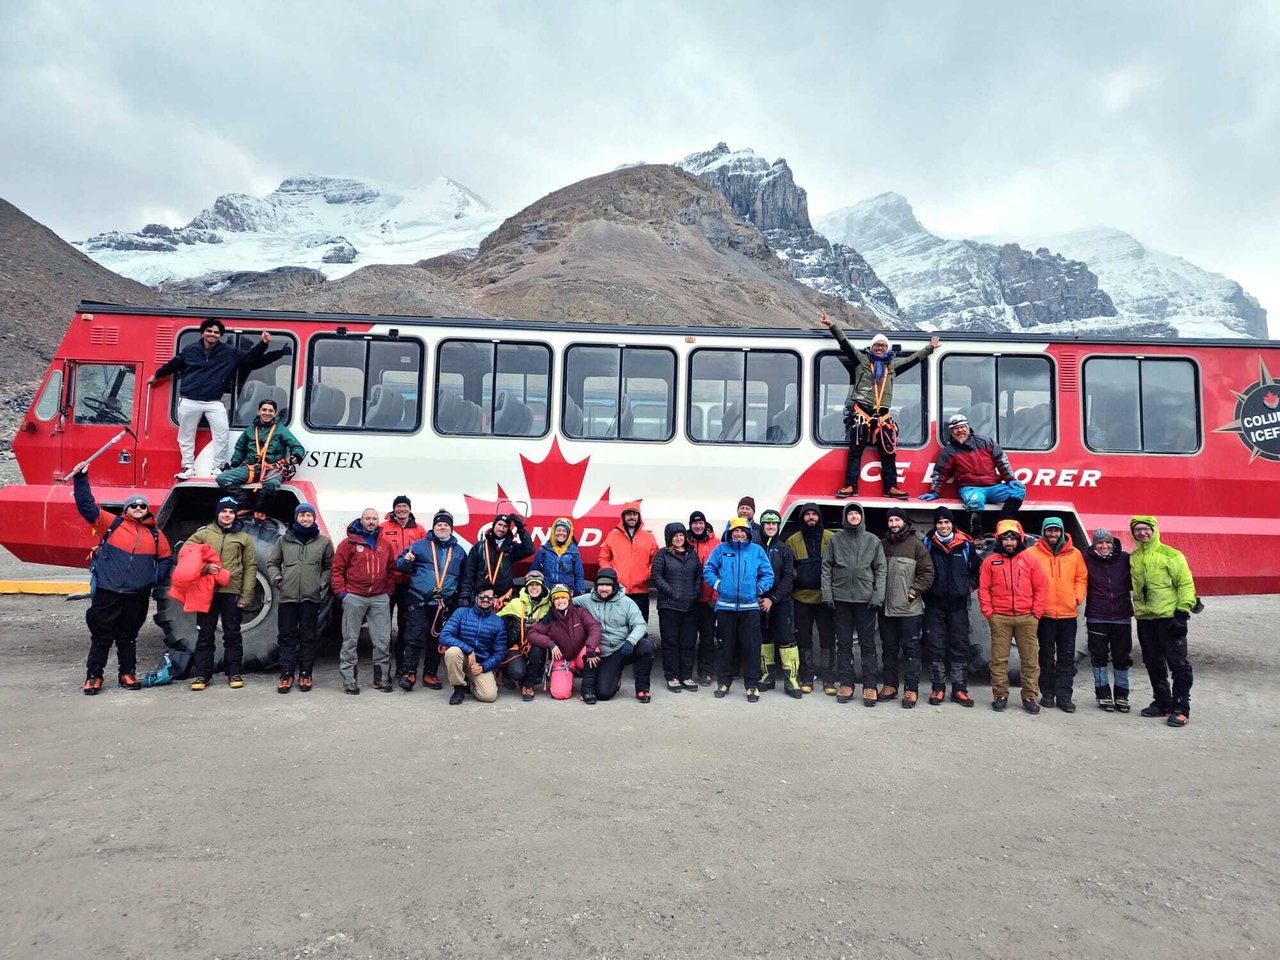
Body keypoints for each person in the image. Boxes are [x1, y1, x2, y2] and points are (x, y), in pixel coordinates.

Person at [71, 463, 172, 695]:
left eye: (143, 505)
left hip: (136, 595)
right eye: (134, 505)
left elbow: (166, 559)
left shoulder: (155, 534)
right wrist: (81, 479)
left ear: (148, 510)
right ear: (127, 508)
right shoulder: (112, 523)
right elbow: (86, 506)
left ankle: (127, 674)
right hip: (109, 591)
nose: (138, 507)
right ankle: (94, 676)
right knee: (101, 636)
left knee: (128, 636)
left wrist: (153, 579)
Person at [820, 312, 939, 499]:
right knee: (855, 452)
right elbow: (845, 344)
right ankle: (851, 486)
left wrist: (930, 348)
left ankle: (891, 488)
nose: (880, 348)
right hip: (861, 413)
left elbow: (913, 359)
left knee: (889, 453)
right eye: (877, 345)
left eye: (883, 345)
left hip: (883, 417)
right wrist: (832, 325)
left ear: (887, 348)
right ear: (872, 347)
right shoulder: (861, 361)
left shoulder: (892, 367)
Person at [148, 318, 272, 479]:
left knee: (222, 433)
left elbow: (249, 359)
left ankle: (218, 468)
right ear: (203, 332)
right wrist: (157, 376)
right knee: (186, 435)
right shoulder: (190, 351)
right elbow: (173, 365)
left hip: (213, 401)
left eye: (216, 332)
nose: (212, 335)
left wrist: (263, 344)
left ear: (220, 336)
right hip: (189, 399)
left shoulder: (229, 352)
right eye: (209, 331)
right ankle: (187, 467)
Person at [1129, 516, 1196, 727]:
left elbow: (1185, 583)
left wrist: (1183, 612)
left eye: (1146, 529)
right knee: (1153, 662)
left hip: (1168, 616)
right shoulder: (1134, 557)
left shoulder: (1172, 554)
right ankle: (1163, 702)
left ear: (1154, 530)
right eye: (1138, 530)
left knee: (1178, 664)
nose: (1142, 533)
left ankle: (1180, 708)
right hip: (1145, 618)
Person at [185, 496, 258, 690]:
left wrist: (246, 594)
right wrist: (204, 568)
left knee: (233, 633)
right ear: (217, 513)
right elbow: (186, 555)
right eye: (223, 511)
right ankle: (202, 675)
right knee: (205, 634)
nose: (227, 515)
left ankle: (234, 672)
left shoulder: (243, 538)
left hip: (231, 591)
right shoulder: (204, 534)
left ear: (235, 515)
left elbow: (250, 567)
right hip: (206, 592)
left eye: (231, 512)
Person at [978, 519, 1048, 713]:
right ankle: (1000, 695)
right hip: (1000, 617)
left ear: (1019, 539)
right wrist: (989, 612)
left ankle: (1030, 697)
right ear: (999, 540)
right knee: (999, 659)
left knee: (1030, 660)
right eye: (1005, 539)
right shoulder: (990, 561)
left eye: (1013, 538)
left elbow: (1041, 587)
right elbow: (984, 589)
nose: (1009, 543)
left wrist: (1036, 612)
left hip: (1027, 617)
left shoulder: (1030, 560)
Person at [821, 502, 886, 706]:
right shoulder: (836, 540)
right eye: (850, 514)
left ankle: (869, 687)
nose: (854, 516)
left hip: (865, 601)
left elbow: (881, 570)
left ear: (862, 516)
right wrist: (827, 594)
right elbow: (826, 567)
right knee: (844, 644)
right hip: (840, 600)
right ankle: (846, 684)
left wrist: (877, 597)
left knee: (868, 645)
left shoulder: (872, 540)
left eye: (857, 513)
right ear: (845, 517)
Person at [919, 414, 1026, 538]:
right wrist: (935, 492)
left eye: (962, 427)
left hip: (993, 486)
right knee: (975, 500)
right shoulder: (949, 451)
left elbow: (1001, 460)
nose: (960, 431)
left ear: (968, 428)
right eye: (955, 428)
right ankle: (977, 534)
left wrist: (1010, 479)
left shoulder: (986, 442)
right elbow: (940, 472)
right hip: (970, 488)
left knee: (1019, 490)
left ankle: (1003, 523)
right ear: (951, 432)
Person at [704, 517, 774, 702]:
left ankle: (752, 685)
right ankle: (724, 682)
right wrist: (719, 584)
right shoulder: (721, 549)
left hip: (750, 608)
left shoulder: (756, 550)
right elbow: (708, 570)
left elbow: (768, 574)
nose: (739, 534)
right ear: (730, 532)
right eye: (736, 530)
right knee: (726, 646)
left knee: (751, 647)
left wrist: (757, 589)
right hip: (725, 607)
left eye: (743, 531)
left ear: (749, 533)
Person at [266, 502, 333, 693]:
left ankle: (306, 674)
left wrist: (321, 584)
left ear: (313, 518)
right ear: (296, 518)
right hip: (287, 598)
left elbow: (329, 566)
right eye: (302, 515)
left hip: (310, 599)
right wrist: (278, 580)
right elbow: (273, 563)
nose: (305, 518)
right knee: (286, 637)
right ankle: (286, 674)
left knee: (308, 638)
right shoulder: (283, 541)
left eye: (308, 515)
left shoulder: (323, 542)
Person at [395, 509, 464, 691]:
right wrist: (407, 560)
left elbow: (463, 577)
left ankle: (430, 674)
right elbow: (400, 566)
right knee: (414, 637)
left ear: (451, 529)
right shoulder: (418, 546)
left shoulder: (458, 551)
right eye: (439, 524)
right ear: (434, 527)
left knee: (437, 640)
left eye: (446, 525)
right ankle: (409, 673)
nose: (442, 527)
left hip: (443, 604)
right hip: (419, 601)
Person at [331, 507, 395, 694]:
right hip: (355, 596)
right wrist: (343, 594)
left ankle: (381, 679)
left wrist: (388, 592)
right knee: (350, 640)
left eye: (374, 519)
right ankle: (349, 680)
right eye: (368, 518)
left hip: (379, 597)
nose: (371, 522)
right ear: (361, 520)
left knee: (383, 640)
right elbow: (337, 570)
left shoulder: (384, 544)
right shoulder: (349, 543)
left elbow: (391, 570)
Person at [1029, 517, 1089, 712]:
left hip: (1067, 615)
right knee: (1045, 656)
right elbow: (1026, 579)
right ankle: (1047, 694)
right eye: (1049, 530)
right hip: (1044, 614)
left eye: (1056, 531)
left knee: (1066, 657)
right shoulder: (1032, 553)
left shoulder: (1075, 554)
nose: (1053, 534)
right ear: (1044, 531)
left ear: (1062, 532)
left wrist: (1077, 597)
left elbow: (1081, 577)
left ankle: (1064, 697)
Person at [922, 506, 981, 706]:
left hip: (958, 606)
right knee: (935, 647)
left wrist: (969, 587)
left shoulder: (965, 545)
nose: (944, 525)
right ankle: (938, 689)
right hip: (934, 605)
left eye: (947, 522)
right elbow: (921, 570)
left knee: (960, 647)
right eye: (940, 522)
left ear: (952, 525)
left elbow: (977, 570)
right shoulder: (928, 544)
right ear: (935, 525)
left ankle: (959, 690)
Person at [877, 507, 934, 708]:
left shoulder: (916, 545)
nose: (894, 524)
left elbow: (927, 573)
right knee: (889, 649)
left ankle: (911, 690)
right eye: (890, 520)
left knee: (911, 650)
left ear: (904, 522)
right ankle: (890, 685)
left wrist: (912, 594)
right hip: (886, 609)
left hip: (910, 610)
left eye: (897, 520)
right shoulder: (881, 545)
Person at [215, 399, 305, 518]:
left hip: (273, 468)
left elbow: (297, 446)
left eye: (270, 411)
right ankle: (245, 505)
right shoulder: (250, 430)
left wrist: (296, 455)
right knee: (222, 478)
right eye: (264, 410)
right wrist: (234, 463)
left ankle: (260, 510)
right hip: (252, 468)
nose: (267, 413)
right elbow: (240, 448)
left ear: (275, 413)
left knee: (271, 484)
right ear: (258, 411)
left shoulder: (281, 430)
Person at [572, 568, 652, 702]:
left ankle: (642, 689)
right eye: (600, 585)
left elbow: (640, 625)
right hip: (603, 652)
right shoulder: (586, 600)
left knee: (646, 646)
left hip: (624, 647)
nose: (604, 588)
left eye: (608, 585)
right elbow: (564, 602)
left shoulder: (627, 603)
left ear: (614, 586)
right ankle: (615, 677)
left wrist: (631, 641)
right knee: (603, 694)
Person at [1082, 528, 1134, 713]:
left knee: (1122, 657)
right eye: (1100, 543)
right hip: (1097, 615)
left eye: (1107, 542)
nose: (1104, 546)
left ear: (1113, 543)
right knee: (1099, 657)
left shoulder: (1125, 559)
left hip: (1122, 615)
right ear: (1094, 544)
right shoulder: (1085, 559)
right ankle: (1103, 693)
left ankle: (1121, 694)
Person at [787, 502, 834, 695]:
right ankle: (806, 678)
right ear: (802, 518)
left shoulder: (831, 538)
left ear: (819, 517)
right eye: (808, 515)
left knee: (828, 640)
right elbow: (789, 568)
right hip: (802, 599)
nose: (811, 517)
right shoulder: (793, 540)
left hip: (825, 599)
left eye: (814, 514)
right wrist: (799, 579)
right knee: (804, 640)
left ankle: (829, 680)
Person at [650, 521, 703, 693]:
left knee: (688, 642)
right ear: (669, 538)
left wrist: (695, 592)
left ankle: (686, 676)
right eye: (675, 536)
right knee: (671, 643)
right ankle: (672, 676)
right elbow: (656, 576)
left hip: (690, 606)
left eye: (681, 535)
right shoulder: (662, 554)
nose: (679, 538)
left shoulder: (691, 554)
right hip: (669, 606)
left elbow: (698, 575)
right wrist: (671, 592)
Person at [528, 583, 603, 703]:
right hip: (563, 659)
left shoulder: (580, 612)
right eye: (556, 598)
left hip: (581, 654)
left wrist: (590, 647)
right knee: (560, 694)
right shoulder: (549, 619)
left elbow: (594, 628)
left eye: (563, 597)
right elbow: (532, 633)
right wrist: (550, 644)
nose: (560, 601)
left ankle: (587, 690)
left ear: (569, 598)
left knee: (595, 651)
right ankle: (568, 676)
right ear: (552, 602)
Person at [380, 495, 426, 673]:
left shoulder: (419, 529)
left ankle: (401, 667)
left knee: (404, 627)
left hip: (409, 585)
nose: (401, 509)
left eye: (404, 507)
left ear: (409, 509)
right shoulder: (383, 527)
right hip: (388, 582)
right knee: (384, 627)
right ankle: (384, 670)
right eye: (398, 506)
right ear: (393, 509)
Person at [440, 583, 508, 705]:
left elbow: (499, 653)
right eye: (482, 596)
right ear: (476, 597)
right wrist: (468, 650)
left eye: (489, 597)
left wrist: (484, 667)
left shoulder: (498, 622)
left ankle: (471, 684)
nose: (486, 600)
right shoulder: (461, 613)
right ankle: (458, 688)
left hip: (480, 663)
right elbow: (444, 636)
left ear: (494, 600)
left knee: (489, 696)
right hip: (463, 657)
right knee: (452, 651)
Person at [759, 510, 801, 698]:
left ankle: (791, 678)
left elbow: (787, 577)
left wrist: (773, 598)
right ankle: (767, 675)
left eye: (774, 524)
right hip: (760, 600)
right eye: (767, 523)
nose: (770, 526)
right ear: (762, 526)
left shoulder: (784, 549)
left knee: (786, 638)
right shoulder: (755, 547)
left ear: (778, 526)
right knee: (763, 637)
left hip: (780, 601)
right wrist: (759, 596)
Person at [598, 502, 659, 623]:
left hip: (641, 591)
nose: (632, 517)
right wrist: (612, 574)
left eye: (634, 514)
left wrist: (647, 573)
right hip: (619, 591)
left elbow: (656, 560)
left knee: (640, 626)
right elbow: (602, 558)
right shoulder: (613, 536)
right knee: (618, 626)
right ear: (623, 517)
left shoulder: (648, 537)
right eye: (629, 514)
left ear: (639, 516)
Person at [459, 511, 534, 608]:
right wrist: (464, 595)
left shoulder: (511, 548)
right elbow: (469, 573)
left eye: (505, 526)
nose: (501, 529)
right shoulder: (480, 547)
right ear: (494, 525)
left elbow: (529, 549)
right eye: (499, 524)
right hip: (483, 599)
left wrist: (521, 528)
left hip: (503, 600)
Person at [498, 570, 552, 700]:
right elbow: (497, 620)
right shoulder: (516, 602)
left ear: (542, 586)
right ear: (526, 587)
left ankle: (529, 685)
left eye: (537, 585)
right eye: (531, 585)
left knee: (538, 651)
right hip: (517, 645)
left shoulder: (549, 604)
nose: (534, 588)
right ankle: (508, 673)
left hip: (537, 646)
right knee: (517, 672)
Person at [687, 510, 721, 686]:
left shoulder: (716, 543)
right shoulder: (684, 542)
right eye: (695, 523)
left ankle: (706, 671)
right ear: (690, 525)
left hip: (708, 599)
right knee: (688, 637)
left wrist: (715, 595)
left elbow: (721, 570)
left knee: (707, 637)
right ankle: (686, 672)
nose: (698, 526)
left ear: (705, 524)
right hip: (689, 599)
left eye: (701, 523)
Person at [530, 517, 587, 596]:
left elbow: (579, 576)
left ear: (569, 533)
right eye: (558, 530)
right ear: (554, 532)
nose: (561, 533)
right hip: (546, 593)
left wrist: (580, 592)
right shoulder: (543, 551)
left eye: (564, 531)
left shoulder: (574, 552)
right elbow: (533, 572)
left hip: (566, 593)